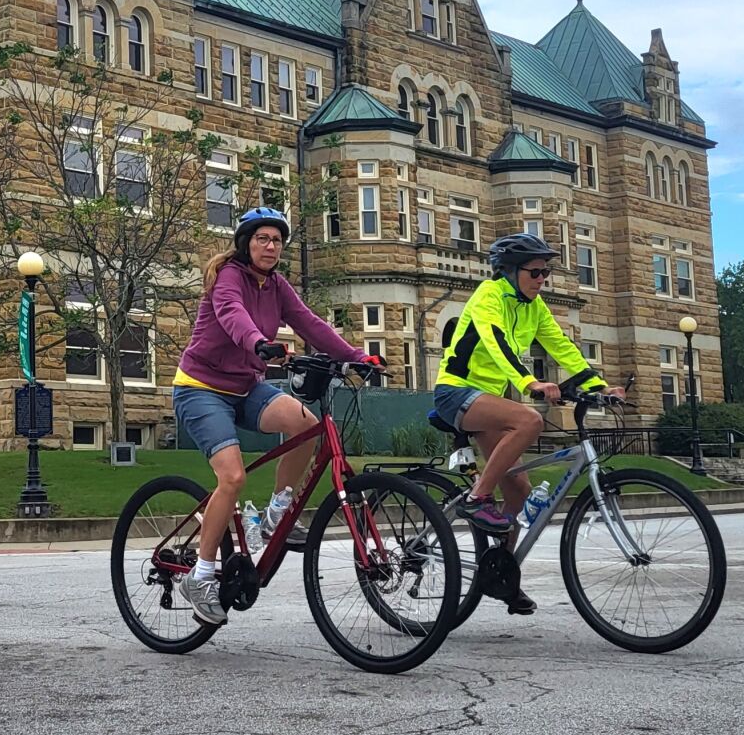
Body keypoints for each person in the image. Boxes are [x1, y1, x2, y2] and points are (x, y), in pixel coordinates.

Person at [172, 206, 381, 626]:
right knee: (231, 478)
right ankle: (201, 574)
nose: (271, 246)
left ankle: (276, 514)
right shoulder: (228, 276)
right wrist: (257, 344)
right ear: (246, 243)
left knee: (305, 425)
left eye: (277, 241)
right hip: (201, 389)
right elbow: (233, 315)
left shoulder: (278, 286)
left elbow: (310, 323)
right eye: (263, 239)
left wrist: (357, 357)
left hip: (246, 388)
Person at [432, 232, 624, 615]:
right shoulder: (489, 295)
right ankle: (476, 498)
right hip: (456, 392)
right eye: (535, 272)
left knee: (519, 495)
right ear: (510, 271)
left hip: (490, 401)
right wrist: (529, 382)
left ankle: (501, 574)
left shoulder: (534, 307)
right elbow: (496, 341)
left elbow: (562, 346)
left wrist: (598, 386)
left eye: (546, 272)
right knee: (530, 421)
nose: (542, 280)